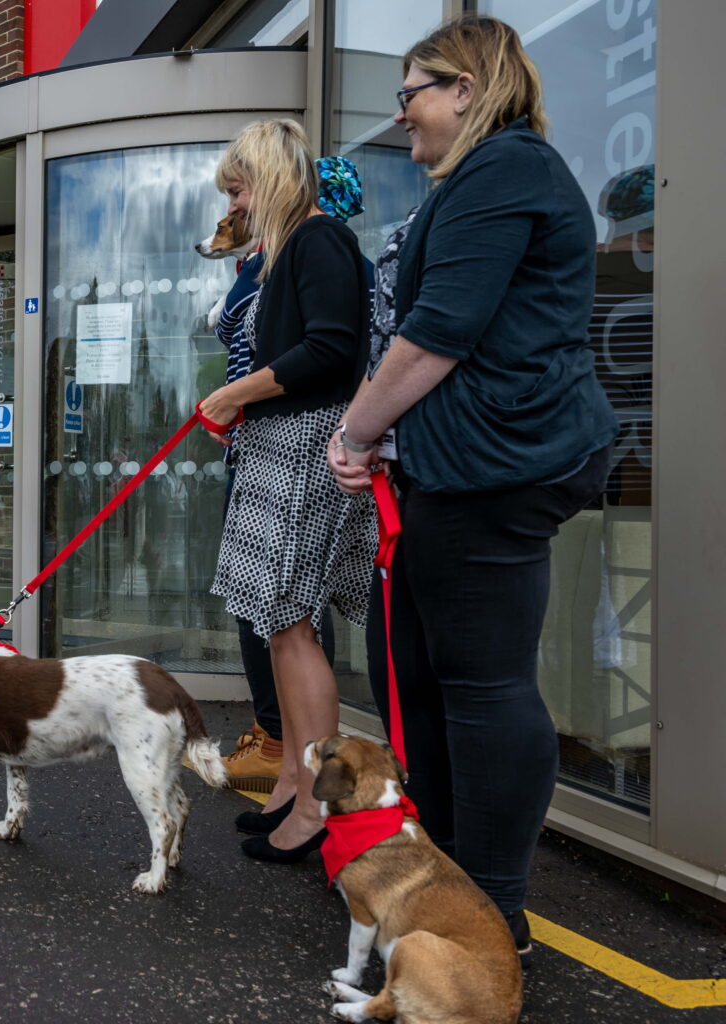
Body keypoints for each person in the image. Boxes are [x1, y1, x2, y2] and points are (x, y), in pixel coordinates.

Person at [327, 15, 617, 958]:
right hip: (451, 468)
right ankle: (439, 874)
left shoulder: (506, 169)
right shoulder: (483, 177)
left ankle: (492, 914)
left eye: (410, 93)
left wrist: (355, 431)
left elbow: (439, 331)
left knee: (484, 686)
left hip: (497, 466)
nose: (400, 114)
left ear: (465, 88)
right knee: (412, 670)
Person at [198, 119, 374, 862]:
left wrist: (235, 392)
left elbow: (332, 348)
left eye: (238, 187)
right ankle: (288, 789)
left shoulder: (319, 238)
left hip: (304, 441)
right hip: (279, 441)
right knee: (276, 621)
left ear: (267, 178)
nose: (234, 203)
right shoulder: (292, 247)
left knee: (294, 625)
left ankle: (315, 803)